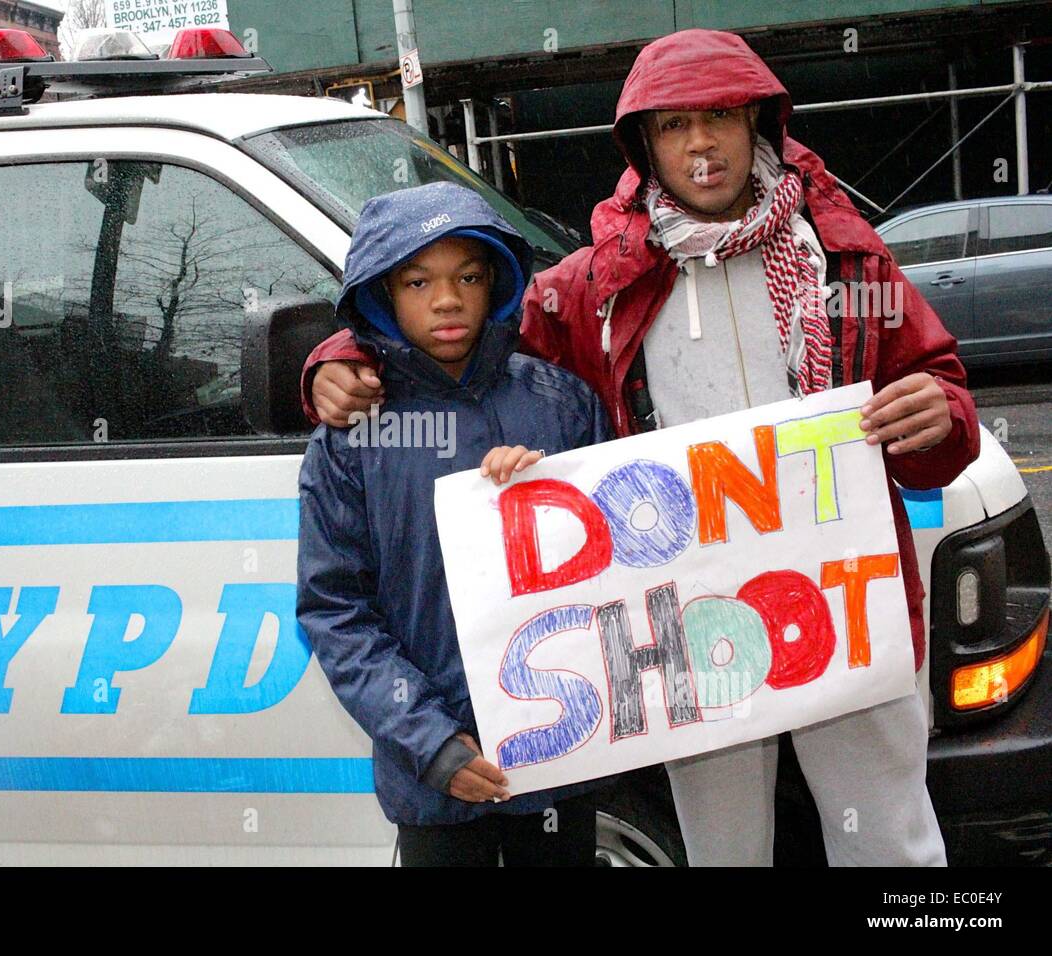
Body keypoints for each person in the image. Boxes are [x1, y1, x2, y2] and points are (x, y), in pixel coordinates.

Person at [299, 29, 981, 866]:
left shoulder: (843, 256)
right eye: (672, 125)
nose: (700, 143)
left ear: (760, 124)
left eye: (722, 115)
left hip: (842, 608)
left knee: (889, 841)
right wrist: (342, 356)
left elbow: (936, 391)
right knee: (724, 848)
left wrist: (942, 412)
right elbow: (457, 331)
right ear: (644, 147)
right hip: (691, 632)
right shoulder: (597, 285)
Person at [296, 181, 614, 866]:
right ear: (382, 296)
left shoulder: (563, 406)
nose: (447, 299)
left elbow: (624, 561)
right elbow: (334, 610)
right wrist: (431, 744)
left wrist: (555, 495)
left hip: (563, 759)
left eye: (468, 275)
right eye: (418, 282)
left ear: (497, 281)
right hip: (433, 784)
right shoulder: (351, 438)